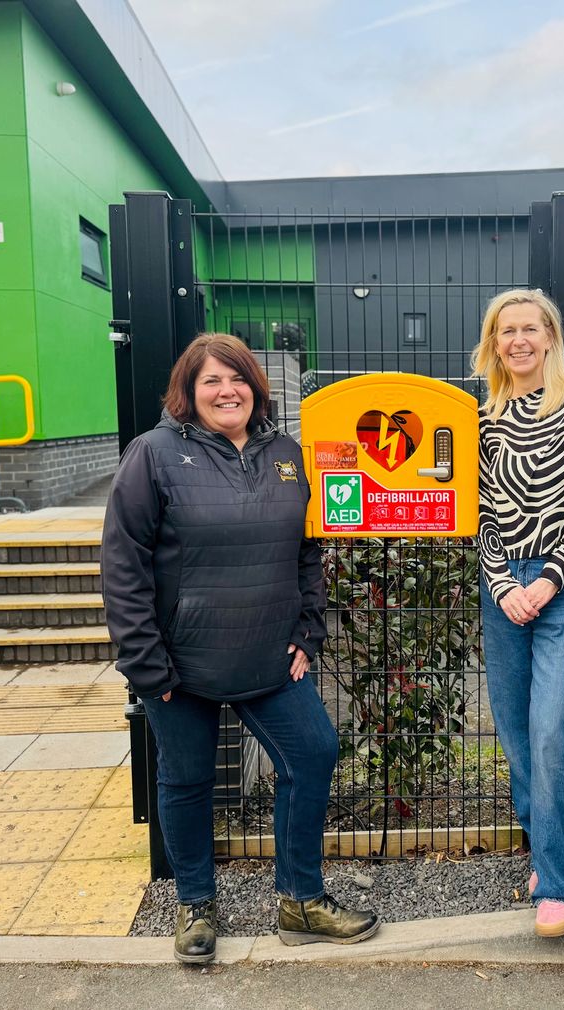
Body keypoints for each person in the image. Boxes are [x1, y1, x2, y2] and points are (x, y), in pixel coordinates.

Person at [101, 333, 379, 963]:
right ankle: (196, 905)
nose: (227, 392)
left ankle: (300, 902)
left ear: (256, 386)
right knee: (188, 777)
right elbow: (123, 563)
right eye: (211, 382)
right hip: (178, 664)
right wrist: (144, 661)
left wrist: (308, 630)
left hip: (270, 657)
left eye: (238, 380)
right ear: (188, 392)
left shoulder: (286, 452)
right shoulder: (153, 455)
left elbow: (309, 548)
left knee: (312, 753)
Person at [471, 288, 564, 938]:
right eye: (508, 331)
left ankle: (562, 885)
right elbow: (480, 509)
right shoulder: (486, 415)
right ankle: (549, 851)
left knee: (553, 731)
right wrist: (504, 584)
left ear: (551, 335)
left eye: (531, 328)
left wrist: (548, 582)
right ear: (495, 341)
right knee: (515, 733)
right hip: (504, 589)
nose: (519, 340)